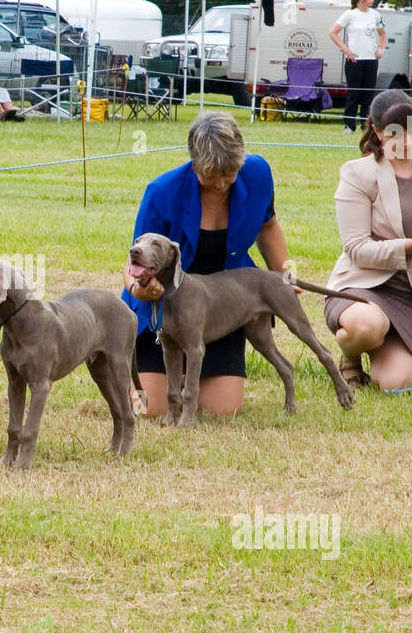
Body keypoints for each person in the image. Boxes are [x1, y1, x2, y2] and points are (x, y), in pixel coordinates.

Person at [122, 112, 294, 418]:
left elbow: (267, 225)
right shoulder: (162, 193)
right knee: (151, 409)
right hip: (166, 312)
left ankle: (194, 373)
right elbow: (133, 265)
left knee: (223, 409)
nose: (222, 183)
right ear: (194, 162)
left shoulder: (257, 173)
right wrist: (140, 291)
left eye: (230, 174)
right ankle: (132, 374)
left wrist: (283, 270)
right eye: (211, 176)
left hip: (221, 307)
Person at [323, 89, 412, 391]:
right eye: (394, 134)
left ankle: (393, 352)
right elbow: (357, 250)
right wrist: (410, 245)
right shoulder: (356, 174)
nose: (408, 141)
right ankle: (350, 357)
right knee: (365, 327)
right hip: (362, 282)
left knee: (396, 385)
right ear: (376, 131)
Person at [329, 0, 386, 134]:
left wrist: (381, 49)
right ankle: (349, 125)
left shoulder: (375, 14)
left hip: (371, 60)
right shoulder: (350, 14)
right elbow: (333, 33)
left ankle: (366, 125)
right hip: (355, 60)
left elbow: (382, 34)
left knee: (368, 94)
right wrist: (346, 49)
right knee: (354, 93)